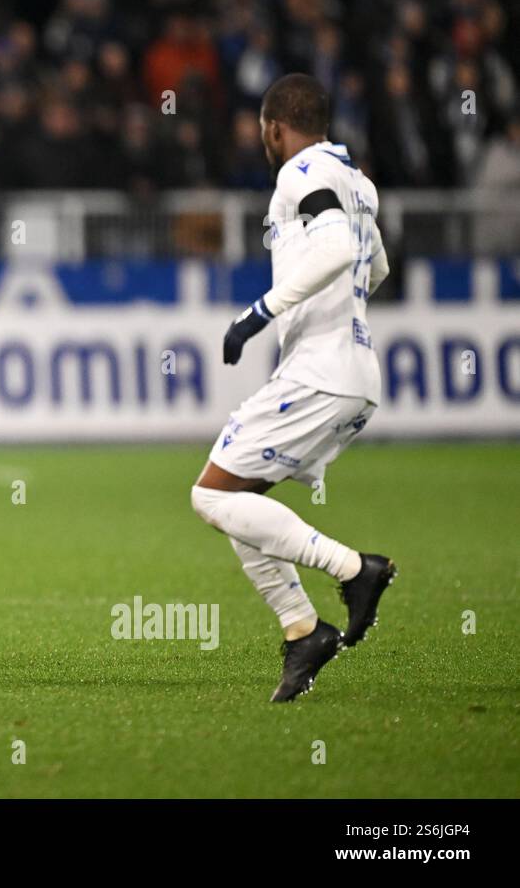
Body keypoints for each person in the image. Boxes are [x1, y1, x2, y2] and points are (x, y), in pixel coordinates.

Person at [190, 74, 398, 703]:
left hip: (320, 373)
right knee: (238, 500)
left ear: (274, 127)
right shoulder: (358, 183)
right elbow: (377, 265)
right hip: (355, 376)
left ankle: (354, 570)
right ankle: (303, 630)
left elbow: (334, 247)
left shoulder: (301, 171)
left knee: (209, 496)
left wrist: (260, 314)